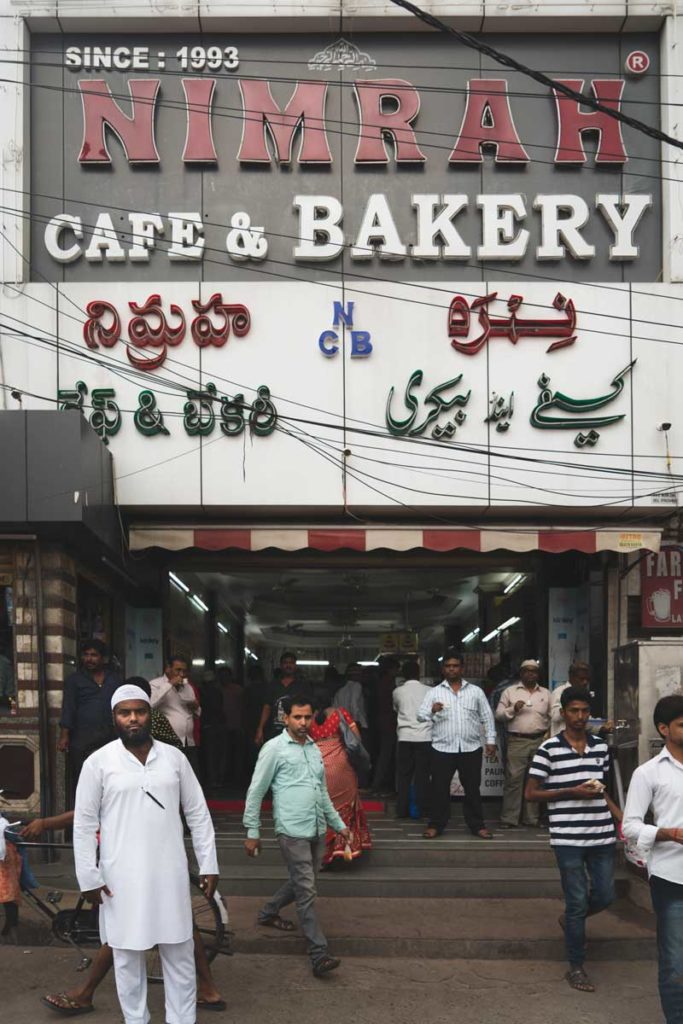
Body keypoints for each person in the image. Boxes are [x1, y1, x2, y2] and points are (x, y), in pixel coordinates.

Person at [73, 683, 218, 1024]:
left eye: (139, 711)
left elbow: (198, 813)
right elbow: (83, 824)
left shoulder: (174, 757)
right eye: (125, 713)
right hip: (120, 878)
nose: (133, 718)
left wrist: (209, 862)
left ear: (149, 714)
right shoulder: (99, 763)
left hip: (170, 874)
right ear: (115, 718)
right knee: (126, 958)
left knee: (179, 954)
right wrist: (88, 877)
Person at [243, 695, 350, 976]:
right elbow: (256, 791)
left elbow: (322, 793)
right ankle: (319, 953)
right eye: (297, 717)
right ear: (285, 718)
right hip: (291, 830)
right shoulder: (274, 749)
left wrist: (339, 824)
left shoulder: (314, 748)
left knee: (305, 881)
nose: (303, 723)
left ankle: (268, 912)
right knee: (306, 890)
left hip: (317, 828)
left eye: (307, 717)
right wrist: (252, 831)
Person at [525, 686, 619, 992]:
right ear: (563, 713)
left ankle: (570, 921)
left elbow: (603, 790)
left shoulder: (601, 748)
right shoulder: (548, 749)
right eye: (574, 711)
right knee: (578, 901)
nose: (580, 717)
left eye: (585, 711)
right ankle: (576, 966)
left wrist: (623, 820)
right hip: (567, 839)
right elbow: (531, 793)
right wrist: (570, 792)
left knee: (605, 895)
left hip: (602, 835)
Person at [622, 694, 683, 1023]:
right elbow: (629, 826)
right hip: (671, 877)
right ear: (664, 729)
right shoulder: (648, 773)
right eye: (682, 725)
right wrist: (667, 833)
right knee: (675, 961)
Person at [418, 653, 497, 840]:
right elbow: (420, 716)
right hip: (442, 748)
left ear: (462, 668)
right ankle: (436, 824)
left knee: (472, 788)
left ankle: (477, 825)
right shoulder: (434, 692)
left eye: (455, 666)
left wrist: (491, 741)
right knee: (439, 788)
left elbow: (487, 716)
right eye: (448, 666)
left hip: (470, 748)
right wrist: (432, 710)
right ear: (443, 669)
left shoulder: (475, 692)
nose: (451, 669)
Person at [308, 702, 372, 865]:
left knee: (321, 811)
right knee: (345, 807)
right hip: (341, 766)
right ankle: (342, 849)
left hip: (317, 766)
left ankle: (322, 854)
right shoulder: (340, 713)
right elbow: (355, 739)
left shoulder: (307, 717)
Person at [58, 639, 121, 798]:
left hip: (109, 736)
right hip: (82, 738)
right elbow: (68, 707)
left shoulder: (114, 679)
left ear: (102, 658)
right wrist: (64, 735)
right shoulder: (75, 680)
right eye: (86, 655)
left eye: (94, 655)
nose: (89, 659)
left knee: (110, 778)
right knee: (84, 778)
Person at [495, 659, 551, 828]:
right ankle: (509, 819)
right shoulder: (510, 692)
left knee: (536, 780)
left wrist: (548, 736)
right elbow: (498, 715)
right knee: (513, 780)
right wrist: (513, 709)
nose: (530, 673)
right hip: (517, 740)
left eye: (533, 671)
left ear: (538, 674)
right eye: (526, 670)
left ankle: (531, 819)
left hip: (540, 741)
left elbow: (552, 717)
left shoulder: (546, 694)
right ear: (521, 673)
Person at [392, 659, 432, 819]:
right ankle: (422, 809)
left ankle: (402, 810)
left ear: (404, 674)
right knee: (422, 775)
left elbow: (396, 708)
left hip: (405, 737)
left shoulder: (397, 691)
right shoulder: (430, 690)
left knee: (403, 776)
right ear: (418, 673)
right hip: (424, 737)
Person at [150, 654, 201, 774]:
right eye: (178, 670)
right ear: (168, 668)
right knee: (170, 775)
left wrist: (196, 707)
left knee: (192, 777)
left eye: (184, 670)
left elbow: (198, 712)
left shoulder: (188, 686)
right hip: (167, 742)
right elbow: (151, 704)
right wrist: (170, 684)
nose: (182, 674)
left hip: (188, 742)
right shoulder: (155, 684)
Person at [254, 651, 310, 746]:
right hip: (274, 733)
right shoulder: (272, 685)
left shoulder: (303, 686)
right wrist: (260, 728)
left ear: (295, 666)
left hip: (296, 732)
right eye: (285, 663)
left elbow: (310, 709)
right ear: (281, 665)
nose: (288, 665)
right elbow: (267, 707)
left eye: (291, 663)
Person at [550, 662, 614, 738]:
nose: (585, 682)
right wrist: (569, 707)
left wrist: (602, 727)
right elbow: (555, 717)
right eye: (581, 679)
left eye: (587, 679)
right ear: (571, 677)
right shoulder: (559, 692)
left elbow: (585, 720)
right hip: (561, 743)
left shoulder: (585, 693)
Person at [371, 656, 400, 792]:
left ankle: (381, 783)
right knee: (387, 754)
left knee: (385, 753)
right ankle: (379, 784)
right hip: (389, 722)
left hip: (383, 721)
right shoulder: (388, 683)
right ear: (391, 669)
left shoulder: (380, 682)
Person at [218, 666, 246, 787]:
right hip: (222, 727)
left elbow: (245, 708)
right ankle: (224, 780)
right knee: (224, 755)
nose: (224, 678)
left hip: (237, 726)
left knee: (237, 755)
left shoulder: (238, 690)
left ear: (230, 676)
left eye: (226, 675)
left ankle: (237, 780)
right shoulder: (217, 690)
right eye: (222, 675)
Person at [333, 663, 369, 738]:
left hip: (342, 724)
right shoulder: (357, 686)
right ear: (356, 675)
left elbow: (335, 708)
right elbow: (354, 704)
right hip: (355, 723)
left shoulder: (340, 690)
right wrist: (356, 722)